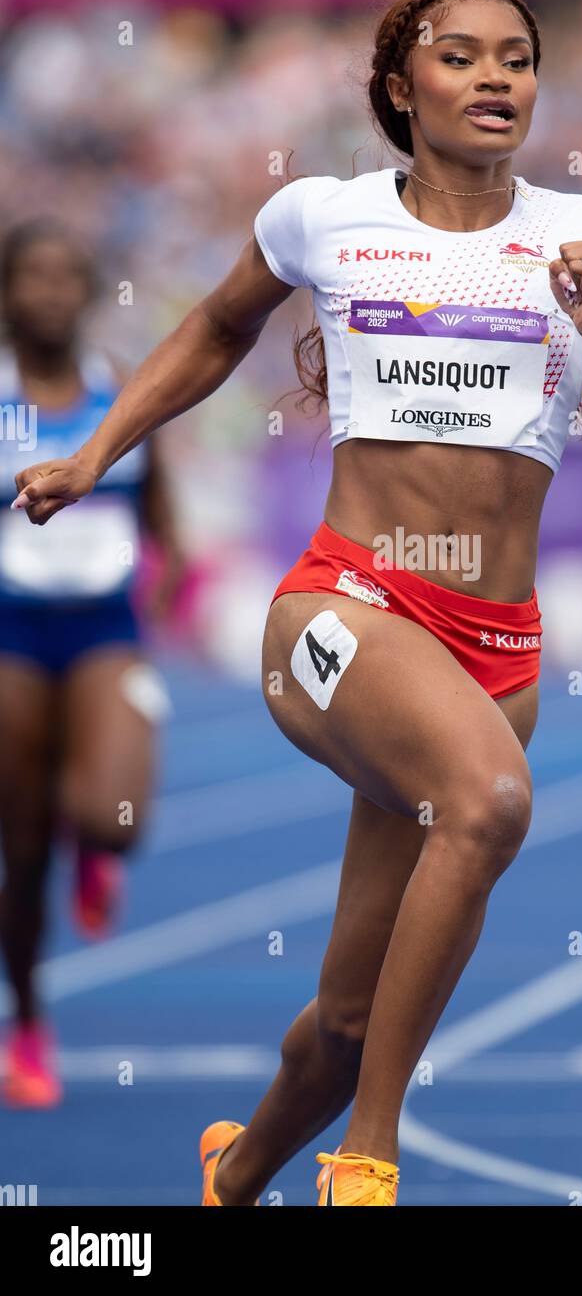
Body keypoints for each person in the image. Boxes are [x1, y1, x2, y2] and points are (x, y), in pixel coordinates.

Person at [12, 0, 582, 1200]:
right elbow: (215, 331)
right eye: (460, 58)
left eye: (517, 57)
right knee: (488, 800)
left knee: (341, 1021)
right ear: (401, 87)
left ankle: (233, 1175)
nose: (495, 78)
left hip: (496, 648)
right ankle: (369, 1159)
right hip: (342, 610)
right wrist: (93, 451)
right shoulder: (322, 215)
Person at [0, 220, 179, 1108]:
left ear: (87, 290)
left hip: (107, 626)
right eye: (30, 276)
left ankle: (95, 850)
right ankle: (29, 1024)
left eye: (66, 275)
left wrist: (163, 584)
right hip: (11, 632)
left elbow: (165, 521)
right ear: (6, 292)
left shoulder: (122, 392)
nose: (48, 292)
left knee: (113, 817)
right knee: (21, 848)